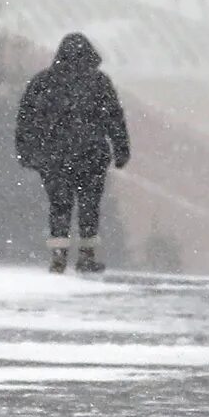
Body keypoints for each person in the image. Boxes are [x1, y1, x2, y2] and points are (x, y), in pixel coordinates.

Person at [14, 33, 131, 275]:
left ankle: (59, 256)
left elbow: (26, 120)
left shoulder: (43, 82)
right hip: (92, 156)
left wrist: (26, 151)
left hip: (55, 157)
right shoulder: (99, 82)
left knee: (59, 205)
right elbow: (114, 119)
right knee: (90, 205)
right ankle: (86, 256)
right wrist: (121, 150)